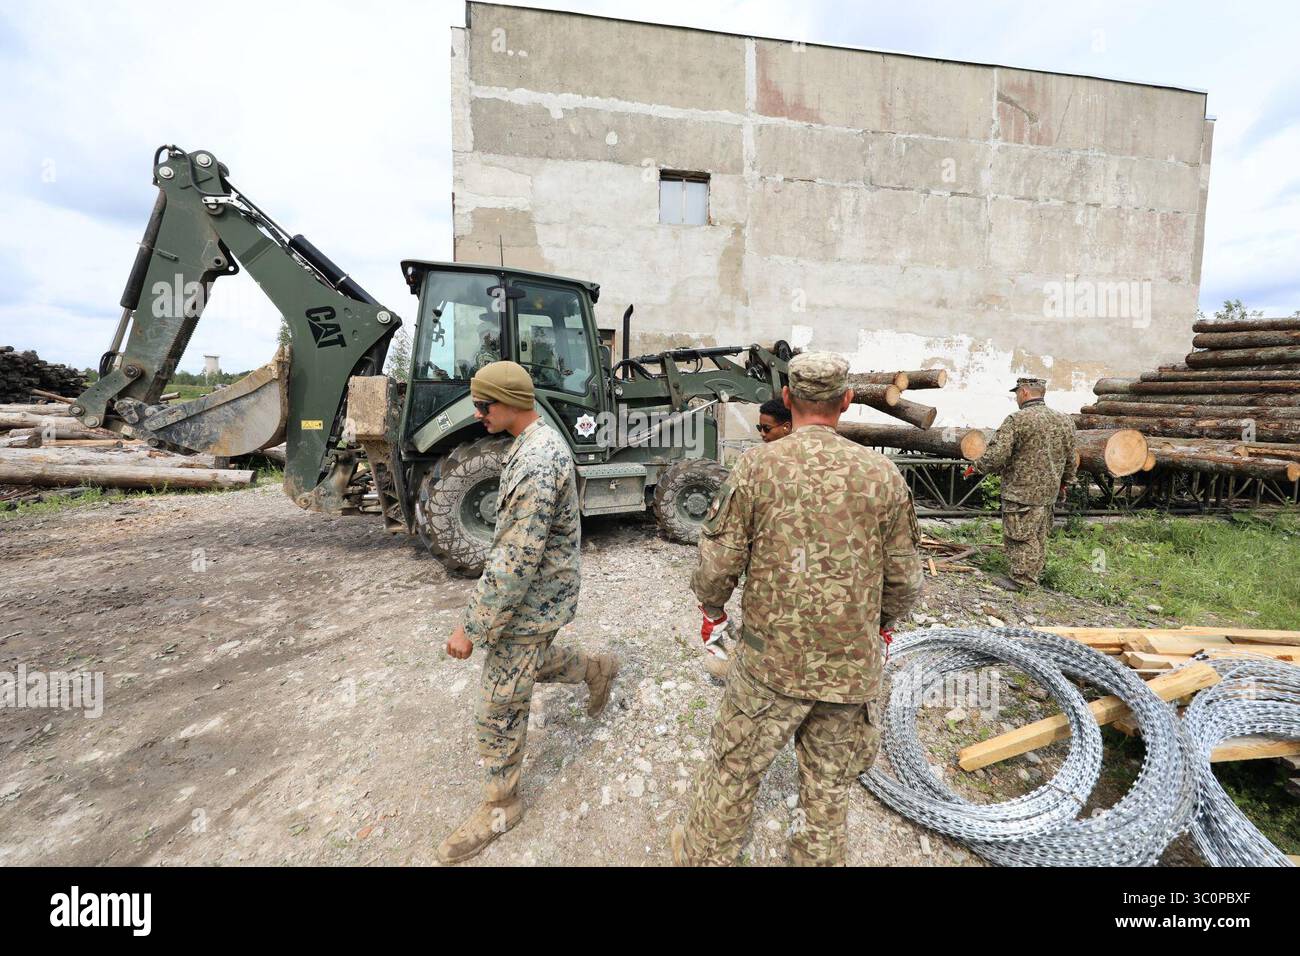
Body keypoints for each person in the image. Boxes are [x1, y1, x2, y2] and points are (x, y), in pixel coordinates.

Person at [672, 351, 924, 866]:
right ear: (848, 401)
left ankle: (705, 857)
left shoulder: (758, 466)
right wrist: (881, 627)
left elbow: (718, 564)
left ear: (787, 398)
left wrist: (713, 609)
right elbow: (903, 580)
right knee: (828, 787)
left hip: (769, 664)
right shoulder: (882, 476)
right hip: (848, 666)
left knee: (735, 768)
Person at [438, 360, 619, 864]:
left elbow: (514, 562)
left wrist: (470, 627)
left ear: (513, 402)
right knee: (526, 668)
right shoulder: (529, 444)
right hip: (537, 598)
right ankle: (596, 667)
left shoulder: (538, 460)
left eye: (484, 405)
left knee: (498, 707)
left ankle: (502, 805)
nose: (477, 415)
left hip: (530, 602)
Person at [971, 376, 1078, 591]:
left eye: (1017, 393)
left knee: (1019, 536)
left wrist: (977, 466)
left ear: (1025, 392)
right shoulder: (1065, 420)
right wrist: (1065, 483)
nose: (1016, 398)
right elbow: (1072, 459)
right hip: (1048, 492)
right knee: (1038, 534)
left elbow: (996, 455)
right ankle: (1034, 574)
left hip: (1020, 491)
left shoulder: (1017, 420)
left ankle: (1022, 581)